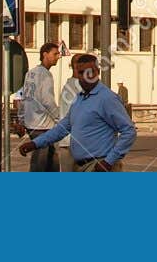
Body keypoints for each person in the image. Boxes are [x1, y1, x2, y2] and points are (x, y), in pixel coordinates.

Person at [19, 52, 136, 171]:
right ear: (76, 73)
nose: (85, 76)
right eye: (81, 72)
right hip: (80, 166)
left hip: (99, 165)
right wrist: (35, 143)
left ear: (97, 72)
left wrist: (109, 161)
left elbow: (129, 131)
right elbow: (62, 128)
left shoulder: (107, 98)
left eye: (89, 72)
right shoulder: (79, 98)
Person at [15, 43, 62, 171]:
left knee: (51, 160)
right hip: (43, 124)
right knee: (41, 162)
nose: (58, 57)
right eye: (55, 54)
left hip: (32, 122)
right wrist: (59, 118)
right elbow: (47, 100)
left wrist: (21, 119)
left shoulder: (30, 73)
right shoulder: (46, 75)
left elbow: (24, 97)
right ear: (44, 54)